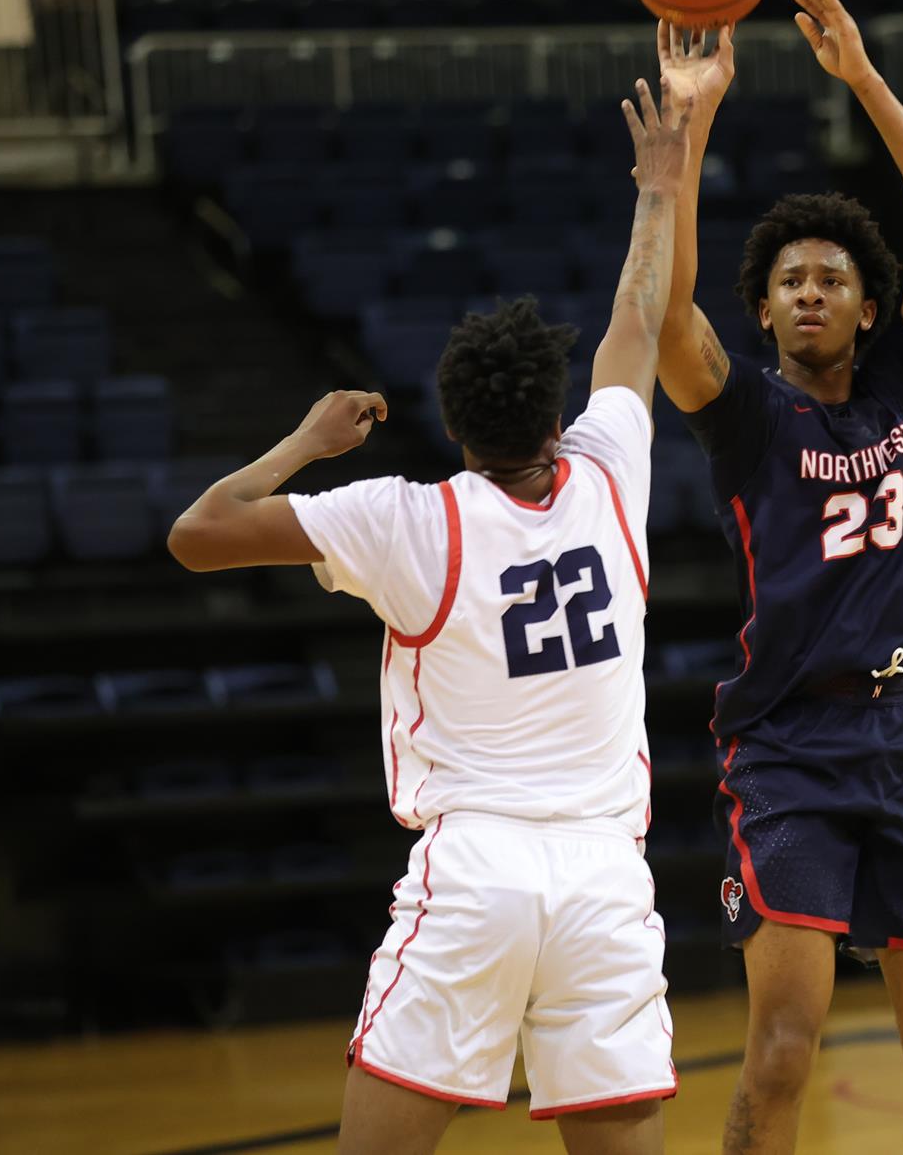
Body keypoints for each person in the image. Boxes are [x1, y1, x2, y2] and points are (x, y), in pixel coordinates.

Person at [165, 78, 689, 1155]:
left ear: (453, 426)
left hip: (478, 876)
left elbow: (200, 532)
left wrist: (307, 443)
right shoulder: (610, 473)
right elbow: (637, 317)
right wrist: (660, 184)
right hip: (603, 873)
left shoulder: (405, 520)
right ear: (557, 414)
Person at [649, 0, 903, 1155]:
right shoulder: (744, 414)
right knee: (785, 1047)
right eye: (789, 278)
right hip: (788, 748)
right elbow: (666, 307)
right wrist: (689, 126)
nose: (808, 290)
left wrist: (863, 81)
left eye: (830, 278)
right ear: (766, 310)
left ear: (863, 309)